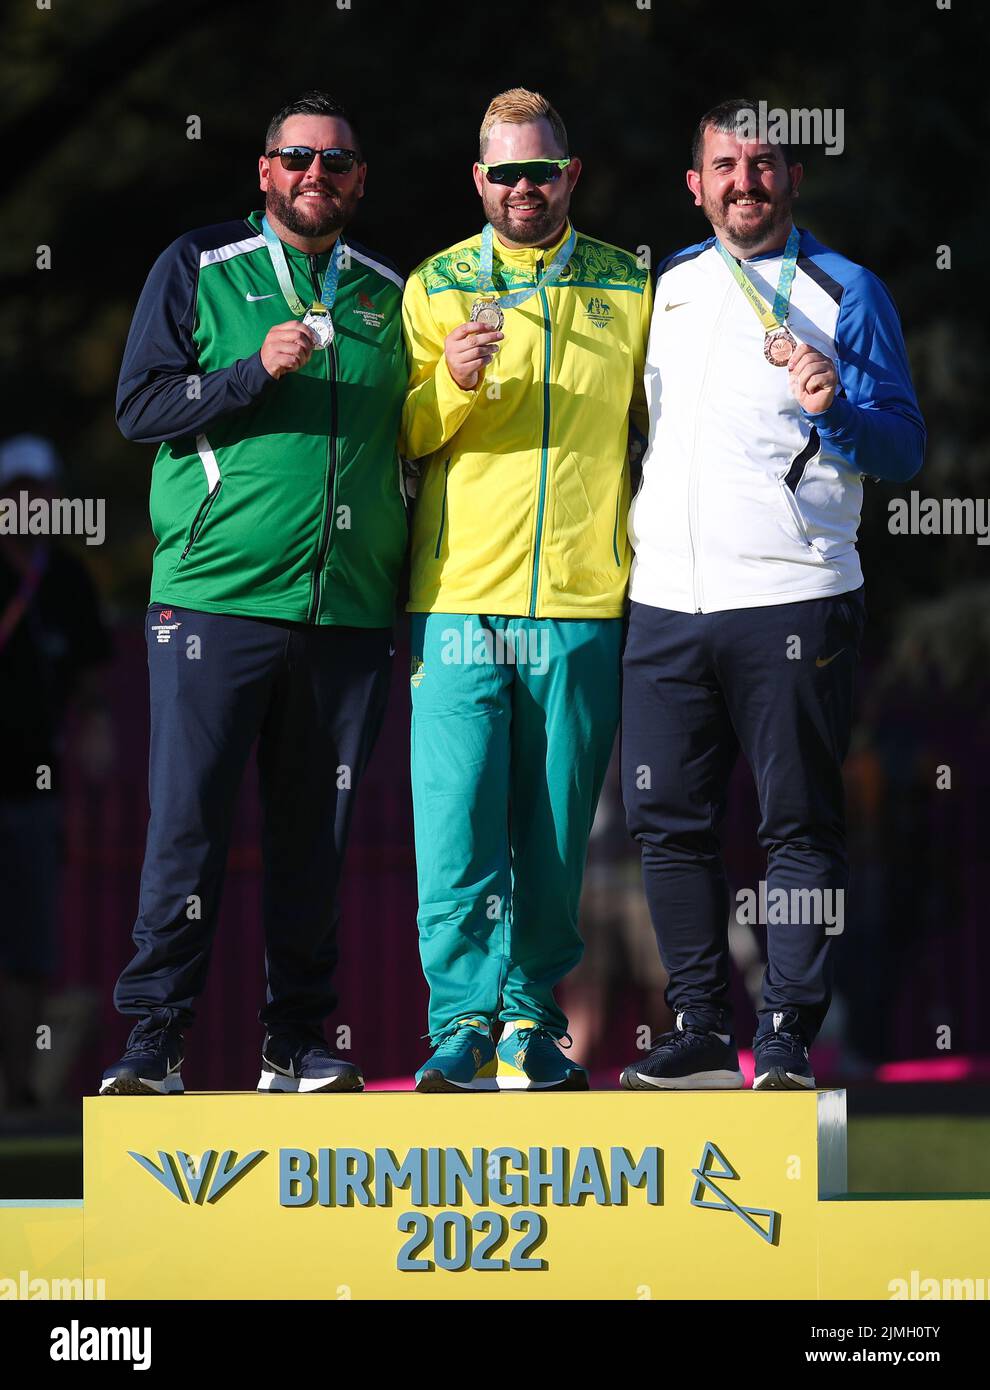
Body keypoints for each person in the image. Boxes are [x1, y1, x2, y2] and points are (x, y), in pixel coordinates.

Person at [101, 91, 407, 1096]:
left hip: (348, 613)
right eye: (298, 159)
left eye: (337, 162)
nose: (317, 176)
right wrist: (247, 371)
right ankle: (154, 1040)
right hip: (215, 600)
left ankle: (297, 1040)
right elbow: (140, 403)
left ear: (359, 178)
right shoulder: (199, 264)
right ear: (266, 171)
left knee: (312, 843)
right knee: (186, 826)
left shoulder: (389, 293)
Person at [619, 97, 925, 1091]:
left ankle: (787, 1036)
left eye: (762, 164)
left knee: (797, 825)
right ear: (695, 185)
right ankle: (703, 1026)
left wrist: (836, 403)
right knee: (666, 824)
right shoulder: (660, 287)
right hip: (666, 598)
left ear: (792, 177)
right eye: (725, 166)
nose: (743, 182)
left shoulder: (848, 291)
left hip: (796, 594)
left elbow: (904, 448)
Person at [401, 88, 652, 1092]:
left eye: (539, 171)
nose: (521, 188)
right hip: (458, 596)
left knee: (553, 836)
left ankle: (530, 1026)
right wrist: (450, 380)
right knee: (454, 827)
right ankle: (460, 1023)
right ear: (477, 179)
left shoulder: (633, 287)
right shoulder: (435, 285)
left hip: (582, 600)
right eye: (503, 173)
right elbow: (400, 437)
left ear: (570, 175)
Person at [0, 435, 113, 1109]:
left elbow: (90, 677)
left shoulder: (66, 577)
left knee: (32, 947)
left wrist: (96, 724)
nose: (31, 504)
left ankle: (20, 1093)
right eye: (17, 492)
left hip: (37, 790)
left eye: (40, 492)